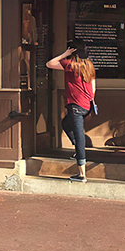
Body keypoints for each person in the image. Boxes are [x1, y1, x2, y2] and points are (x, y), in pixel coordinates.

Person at [47, 42, 96, 182]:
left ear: (73, 53)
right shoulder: (89, 66)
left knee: (79, 136)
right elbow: (93, 87)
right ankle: (78, 148)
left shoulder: (70, 65)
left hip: (75, 106)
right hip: (86, 105)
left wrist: (64, 54)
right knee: (66, 124)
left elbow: (49, 64)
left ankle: (82, 174)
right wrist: (90, 100)